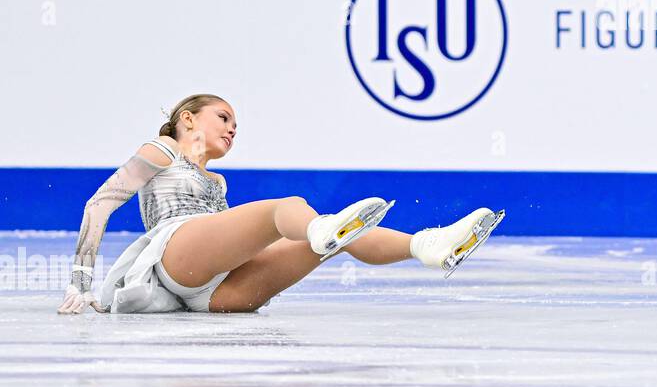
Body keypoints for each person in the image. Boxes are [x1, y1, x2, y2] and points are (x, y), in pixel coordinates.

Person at [58, 94, 504, 314]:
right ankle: (321, 229)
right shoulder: (161, 151)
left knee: (343, 237)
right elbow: (98, 205)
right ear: (186, 119)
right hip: (175, 251)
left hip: (213, 294)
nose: (233, 129)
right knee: (285, 209)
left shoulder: (217, 179)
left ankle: (428, 247)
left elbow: (227, 242)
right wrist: (80, 282)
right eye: (224, 118)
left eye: (237, 124)